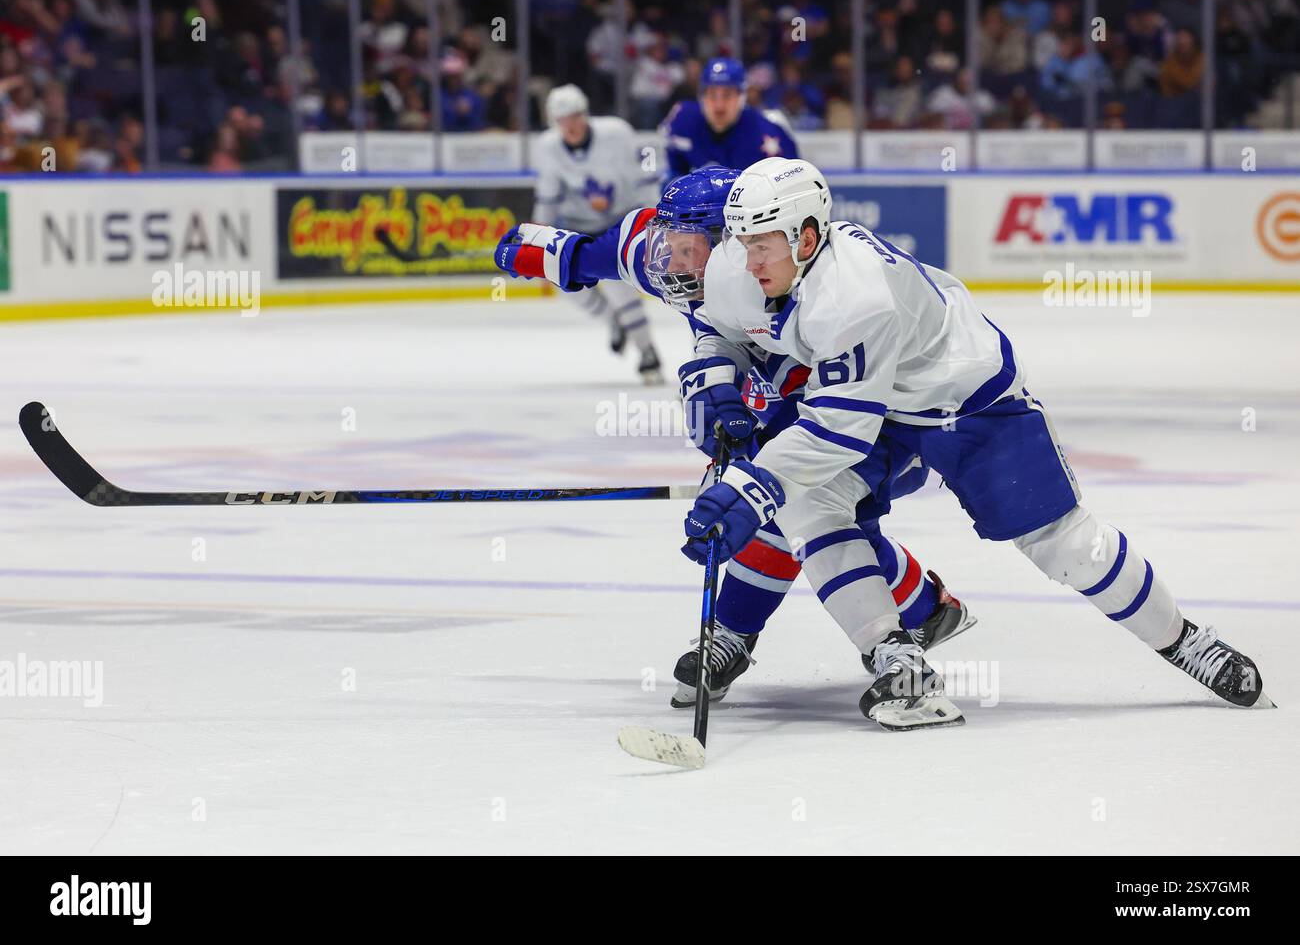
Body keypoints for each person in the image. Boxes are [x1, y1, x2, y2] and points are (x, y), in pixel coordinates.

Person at [678, 156, 1271, 729]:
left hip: (966, 397)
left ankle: (1188, 642)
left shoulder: (854, 294)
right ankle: (897, 661)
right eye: (741, 241)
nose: (747, 259)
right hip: (880, 398)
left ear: (807, 237)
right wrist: (715, 383)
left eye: (762, 245)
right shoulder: (742, 260)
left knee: (1064, 545)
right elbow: (720, 326)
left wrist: (748, 489)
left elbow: (839, 429)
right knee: (811, 501)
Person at [495, 168, 975, 710]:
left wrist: (741, 433)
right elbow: (592, 255)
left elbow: (830, 413)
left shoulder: (801, 288)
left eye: (691, 251)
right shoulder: (668, 254)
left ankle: (755, 635)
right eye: (668, 246)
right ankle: (922, 612)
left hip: (874, 417)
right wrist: (536, 250)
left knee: (791, 505)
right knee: (782, 507)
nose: (675, 265)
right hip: (789, 404)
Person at [532, 84, 664, 383]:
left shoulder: (616, 133)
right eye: (563, 119)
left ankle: (647, 352)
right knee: (563, 280)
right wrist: (539, 236)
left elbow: (644, 175)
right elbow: (548, 195)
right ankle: (613, 322)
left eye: (576, 116)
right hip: (578, 225)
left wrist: (656, 215)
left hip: (619, 221)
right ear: (555, 122)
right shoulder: (547, 146)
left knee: (619, 286)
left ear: (586, 114)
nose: (571, 125)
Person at [660, 57, 797, 184]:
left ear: (741, 98)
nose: (719, 106)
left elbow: (791, 187)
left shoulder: (768, 133)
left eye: (727, 95)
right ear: (701, 96)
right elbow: (674, 173)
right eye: (712, 95)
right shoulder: (683, 119)